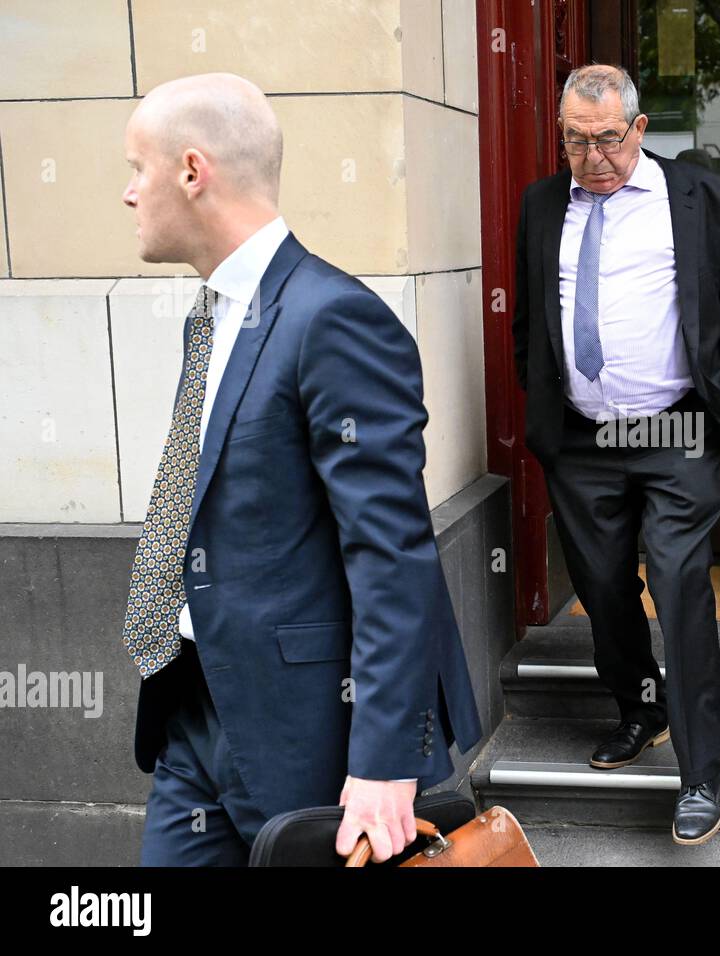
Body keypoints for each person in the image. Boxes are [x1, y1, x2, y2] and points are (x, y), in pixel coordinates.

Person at [120, 72, 482, 865]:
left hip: (311, 736)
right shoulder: (209, 318)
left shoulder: (333, 317)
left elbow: (391, 550)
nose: (126, 193)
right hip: (194, 711)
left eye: (136, 169)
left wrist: (385, 761)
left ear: (191, 171)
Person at [512, 64, 720, 844]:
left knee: (679, 580)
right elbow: (531, 319)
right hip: (583, 437)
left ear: (638, 127)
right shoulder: (538, 205)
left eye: (605, 139)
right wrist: (545, 410)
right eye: (574, 140)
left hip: (672, 430)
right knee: (599, 583)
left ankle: (701, 776)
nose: (592, 157)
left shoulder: (705, 200)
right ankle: (639, 705)